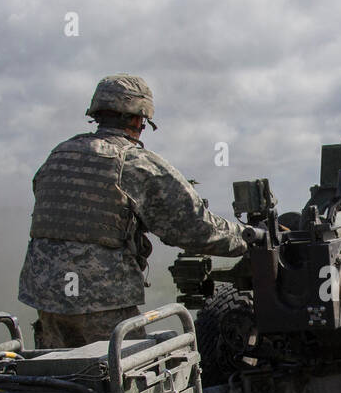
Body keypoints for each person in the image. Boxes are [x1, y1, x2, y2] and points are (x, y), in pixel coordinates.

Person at [17, 74, 248, 348]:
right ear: (140, 118)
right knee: (121, 380)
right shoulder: (135, 163)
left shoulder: (59, 154)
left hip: (44, 295)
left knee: (63, 377)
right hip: (101, 300)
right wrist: (249, 237)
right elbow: (196, 229)